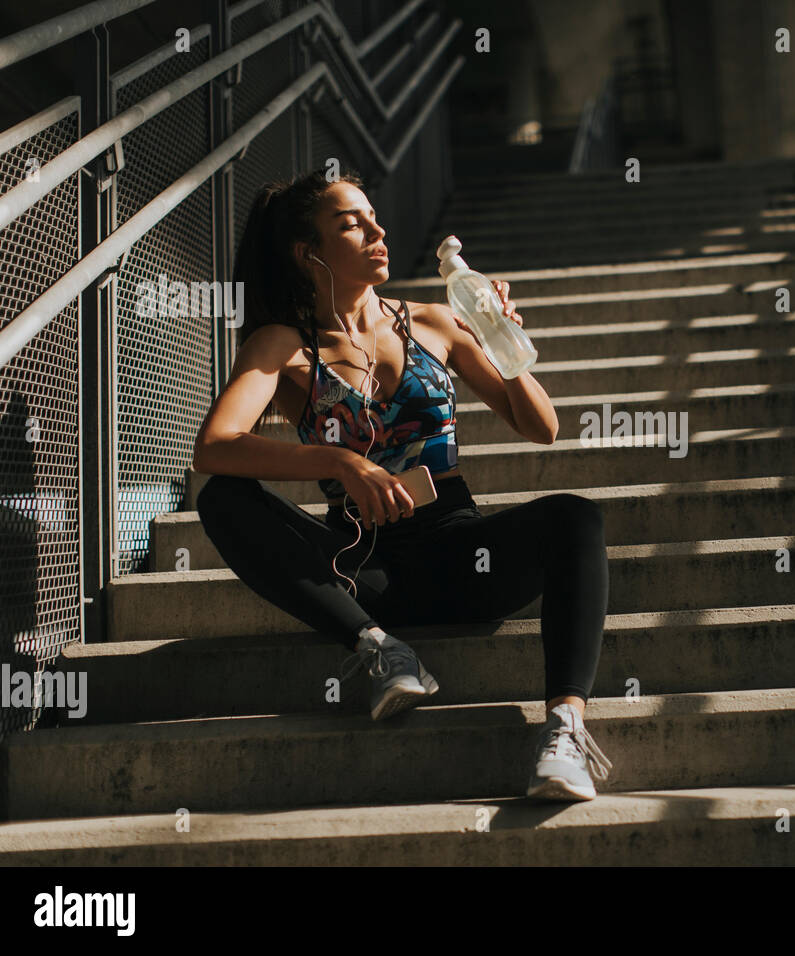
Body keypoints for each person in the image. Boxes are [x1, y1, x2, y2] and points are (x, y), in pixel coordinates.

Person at [191, 169, 612, 801]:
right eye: (351, 224)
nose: (377, 231)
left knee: (576, 519)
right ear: (309, 254)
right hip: (361, 573)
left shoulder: (436, 322)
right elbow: (215, 447)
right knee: (222, 499)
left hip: (461, 556)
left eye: (373, 216)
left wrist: (502, 339)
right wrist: (343, 465)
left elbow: (542, 426)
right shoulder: (283, 346)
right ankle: (378, 649)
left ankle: (564, 732)